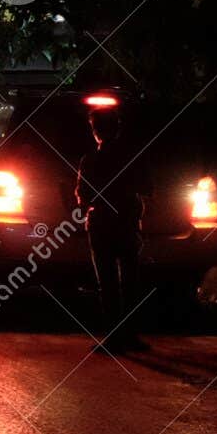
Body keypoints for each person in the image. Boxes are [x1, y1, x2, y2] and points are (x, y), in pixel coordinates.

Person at [75, 107, 148, 353]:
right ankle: (130, 335)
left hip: (100, 225)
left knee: (107, 283)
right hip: (127, 224)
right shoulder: (132, 159)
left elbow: (83, 195)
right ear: (118, 129)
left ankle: (114, 336)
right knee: (130, 281)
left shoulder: (90, 160)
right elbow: (148, 186)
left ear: (95, 131)